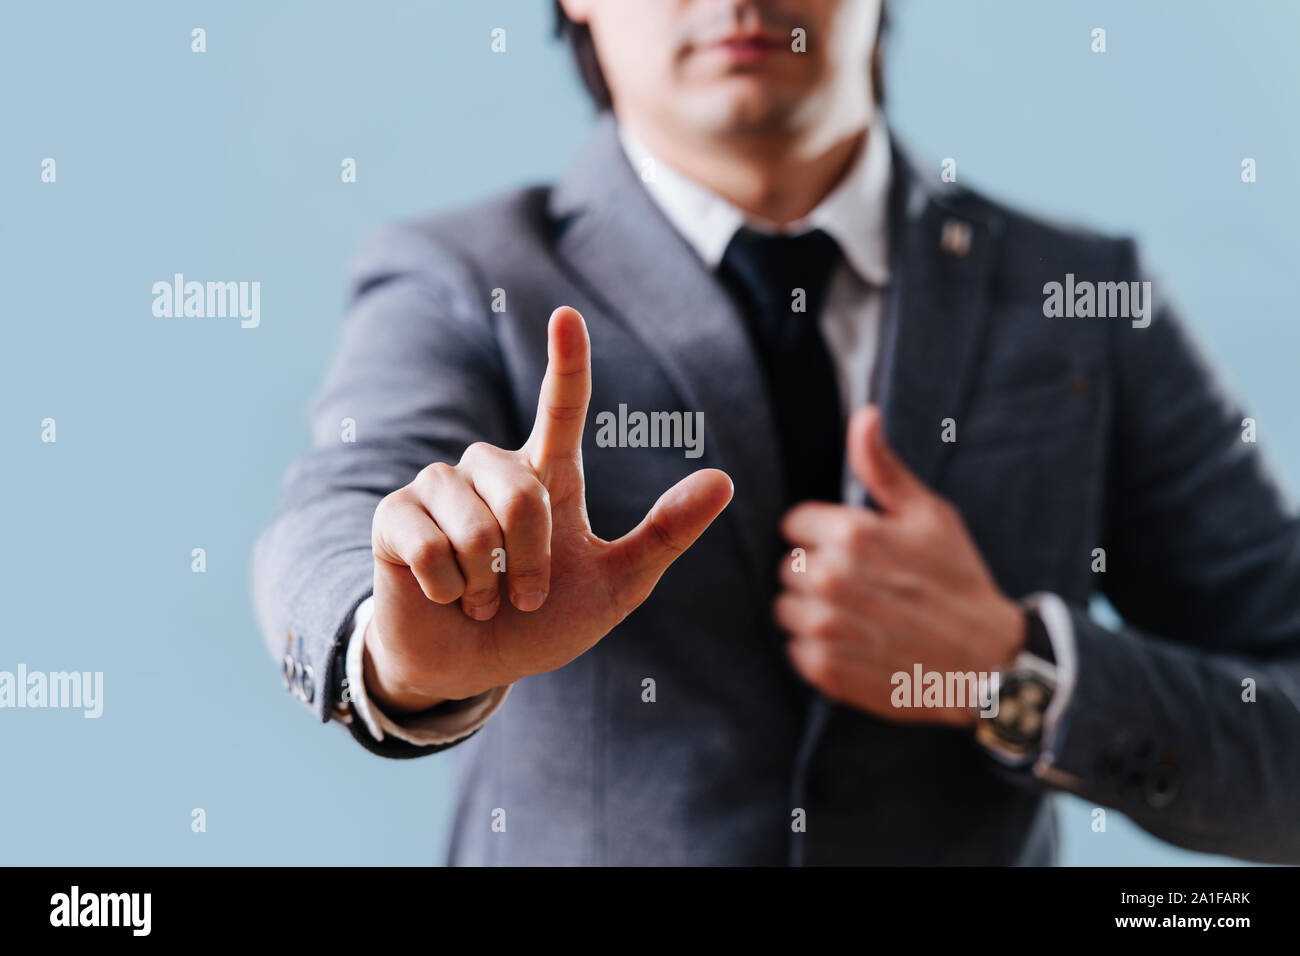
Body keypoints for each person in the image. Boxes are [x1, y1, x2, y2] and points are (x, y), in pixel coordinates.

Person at [253, 0, 1300, 864]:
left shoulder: (1080, 295)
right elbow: (339, 510)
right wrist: (394, 644)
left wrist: (1012, 672)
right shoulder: (457, 276)